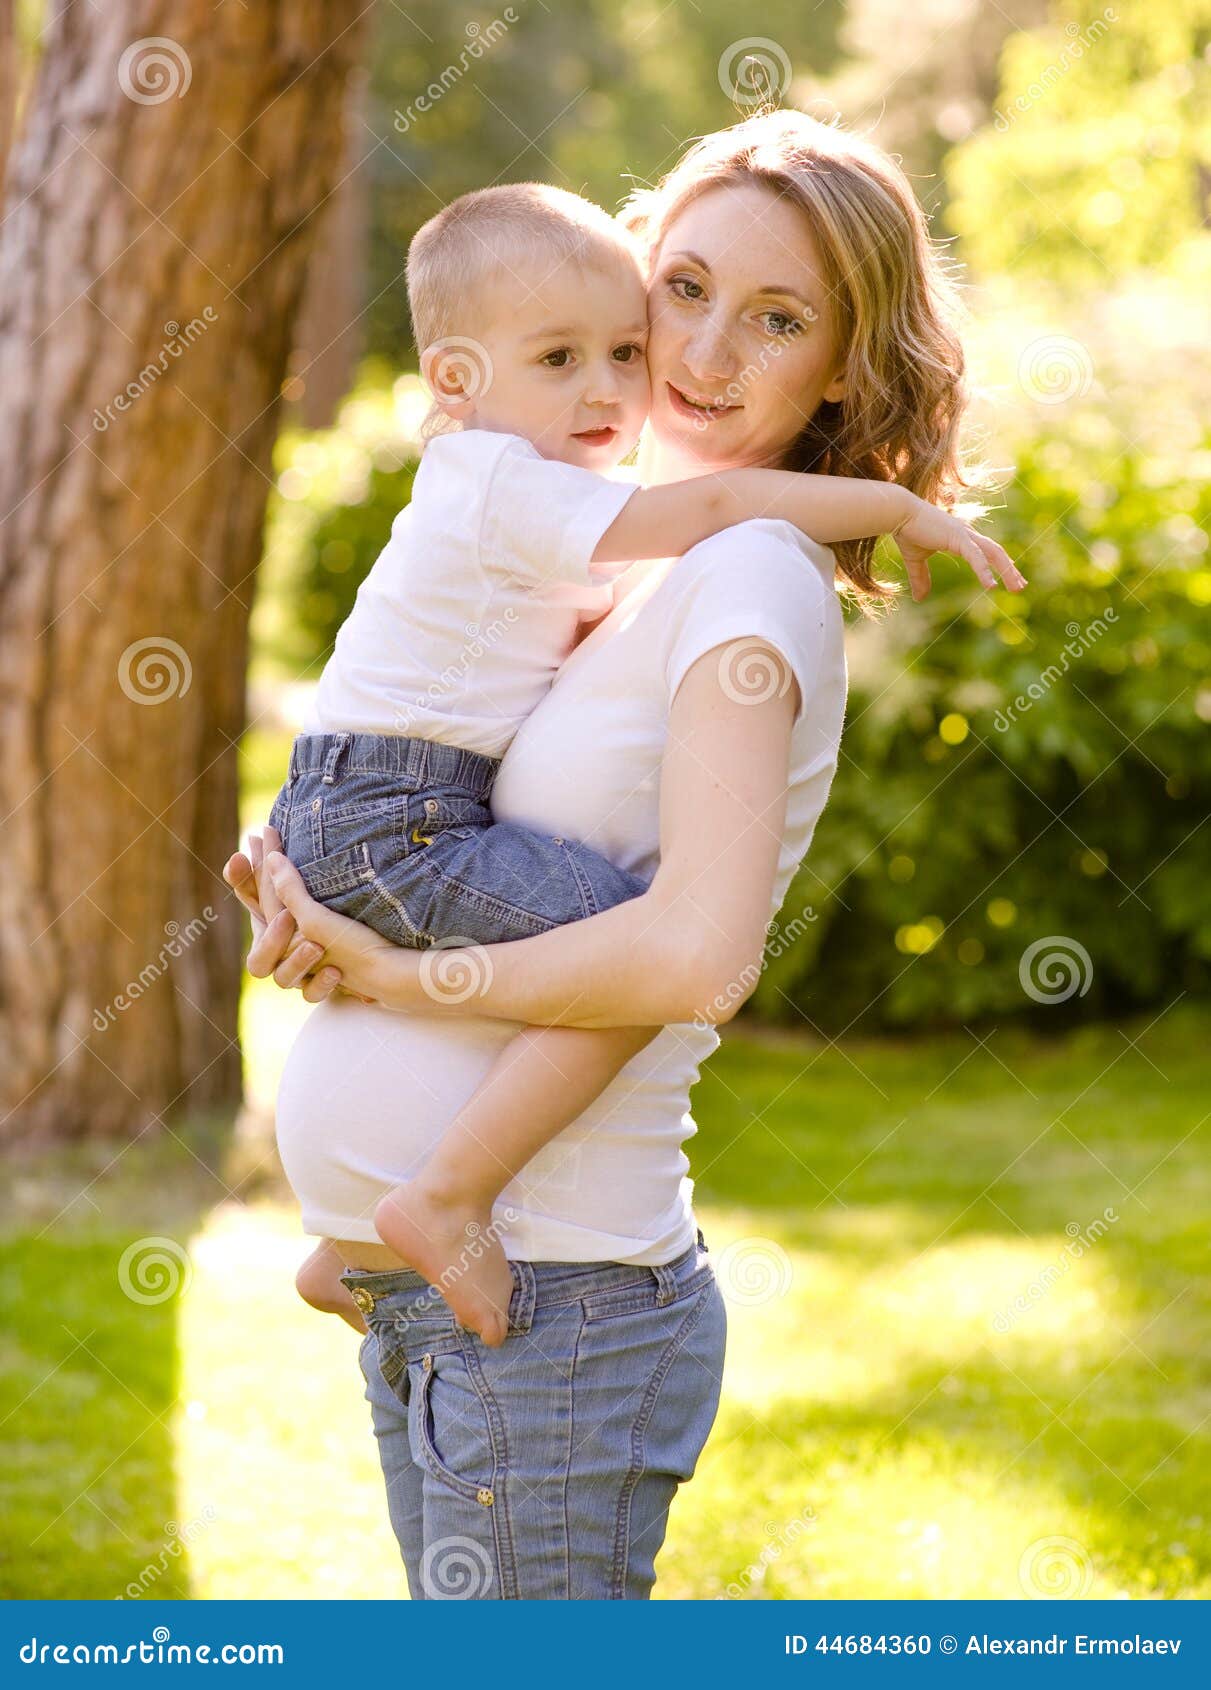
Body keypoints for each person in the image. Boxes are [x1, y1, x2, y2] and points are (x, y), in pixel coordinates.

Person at [225, 109, 1024, 1600]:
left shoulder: (746, 578)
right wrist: (303, 886)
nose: (708, 353)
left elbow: (691, 955)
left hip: (560, 1297)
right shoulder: (602, 558)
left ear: (843, 366)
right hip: (444, 1303)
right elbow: (426, 736)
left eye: (777, 320)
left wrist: (400, 971)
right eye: (687, 287)